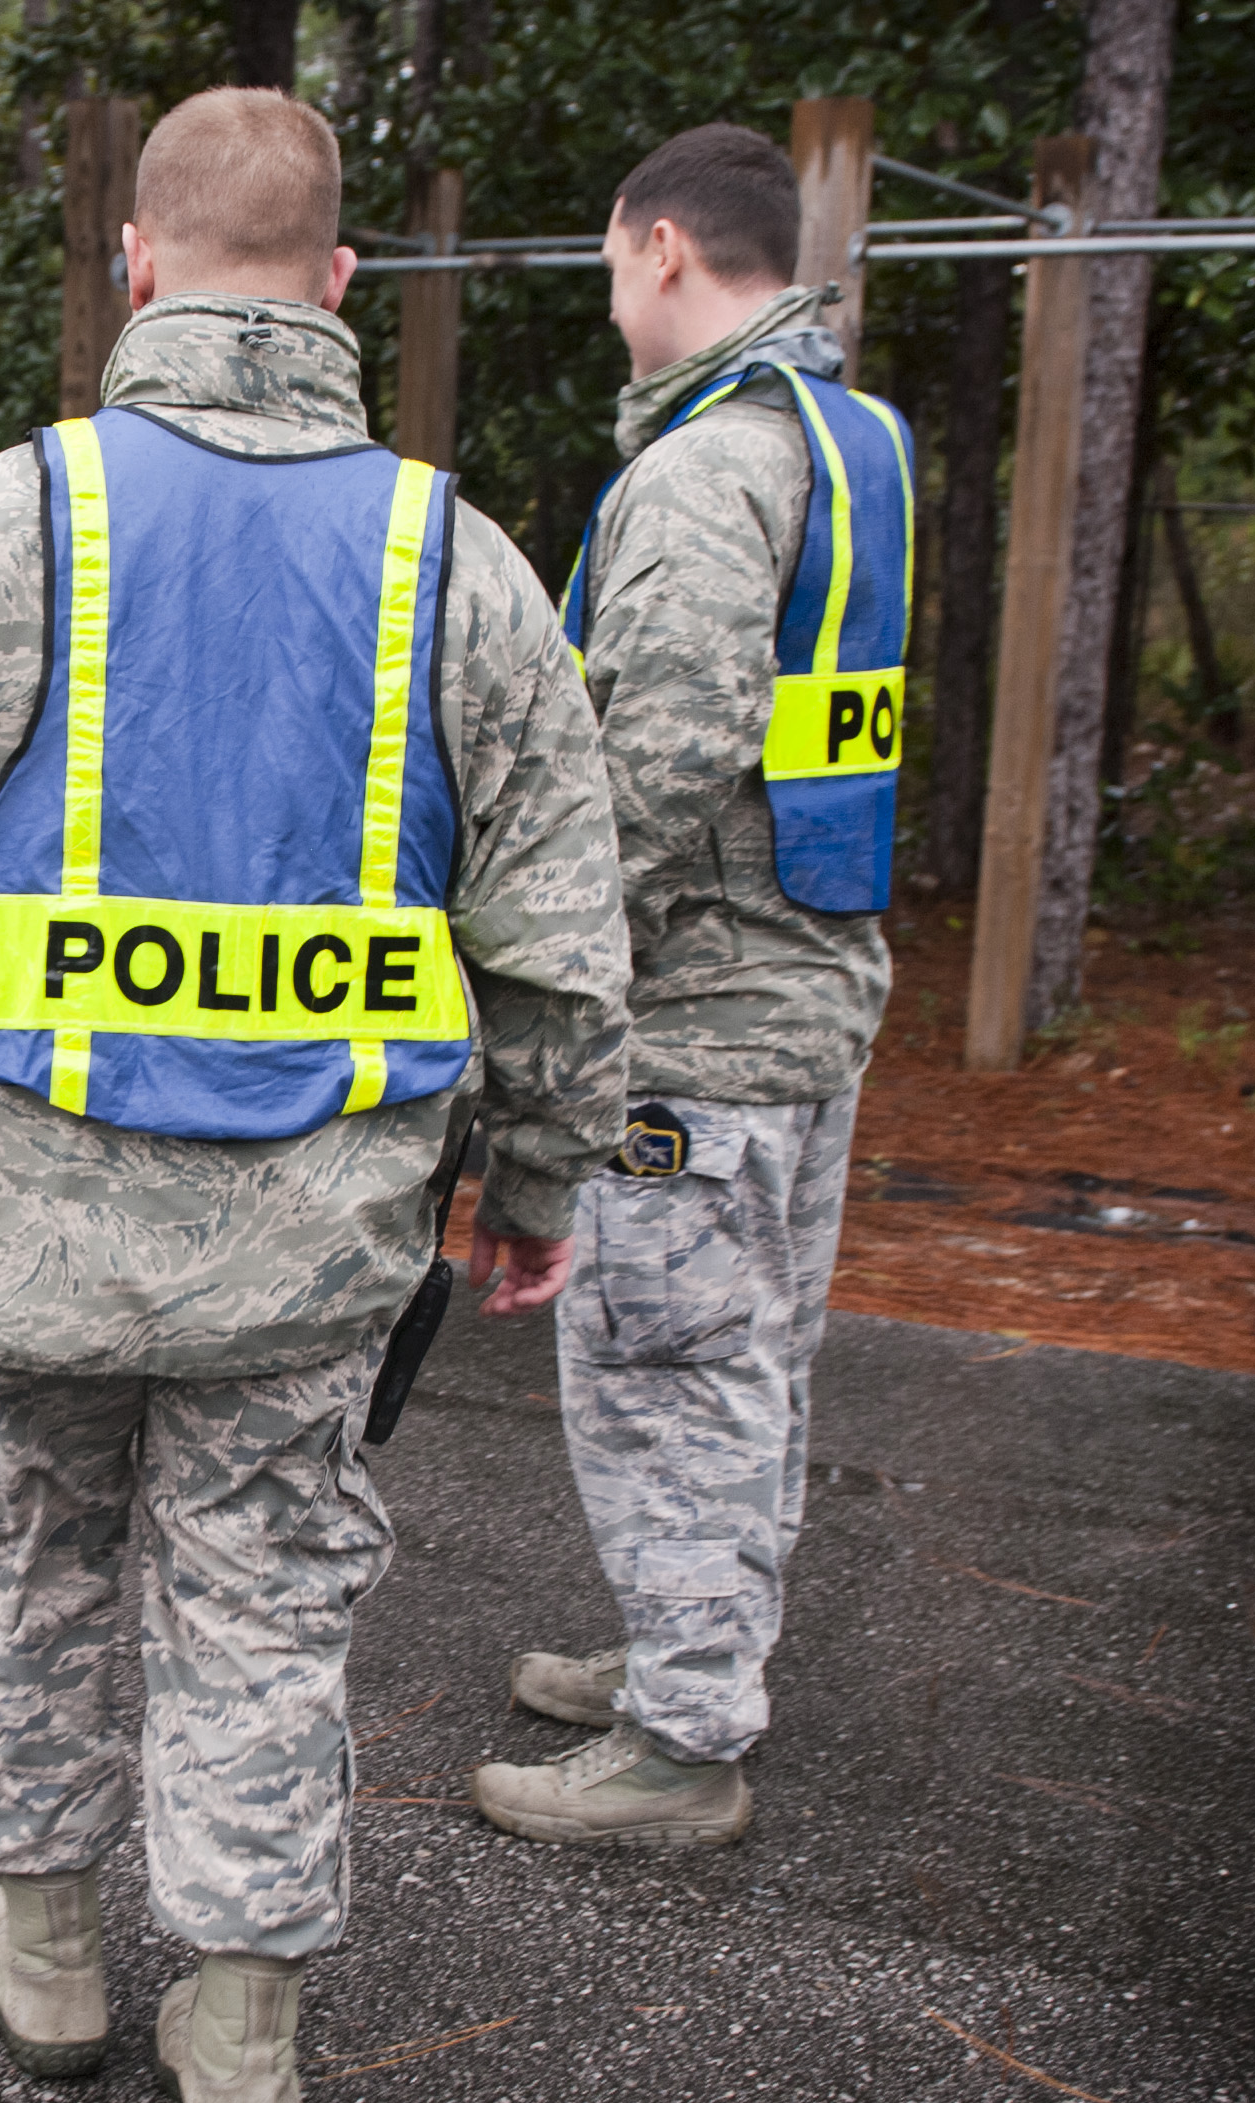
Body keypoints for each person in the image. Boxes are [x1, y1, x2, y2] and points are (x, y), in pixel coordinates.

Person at [0, 87, 632, 2103]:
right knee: (266, 1609)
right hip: (315, 1249)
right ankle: (240, 2027)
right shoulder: (458, 563)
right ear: (332, 281)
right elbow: (568, 951)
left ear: (135, 262)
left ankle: (42, 1945)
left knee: (21, 1562)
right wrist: (548, 1180)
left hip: (11, 1225)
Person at [469, 126, 913, 1852]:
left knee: (672, 1366)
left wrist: (537, 977)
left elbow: (650, 767)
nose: (608, 300)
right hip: (810, 992)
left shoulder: (707, 471)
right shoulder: (848, 437)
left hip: (700, 1025)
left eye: (604, 266)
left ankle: (681, 1737)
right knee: (750, 1361)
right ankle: (689, 1648)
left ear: (660, 249)